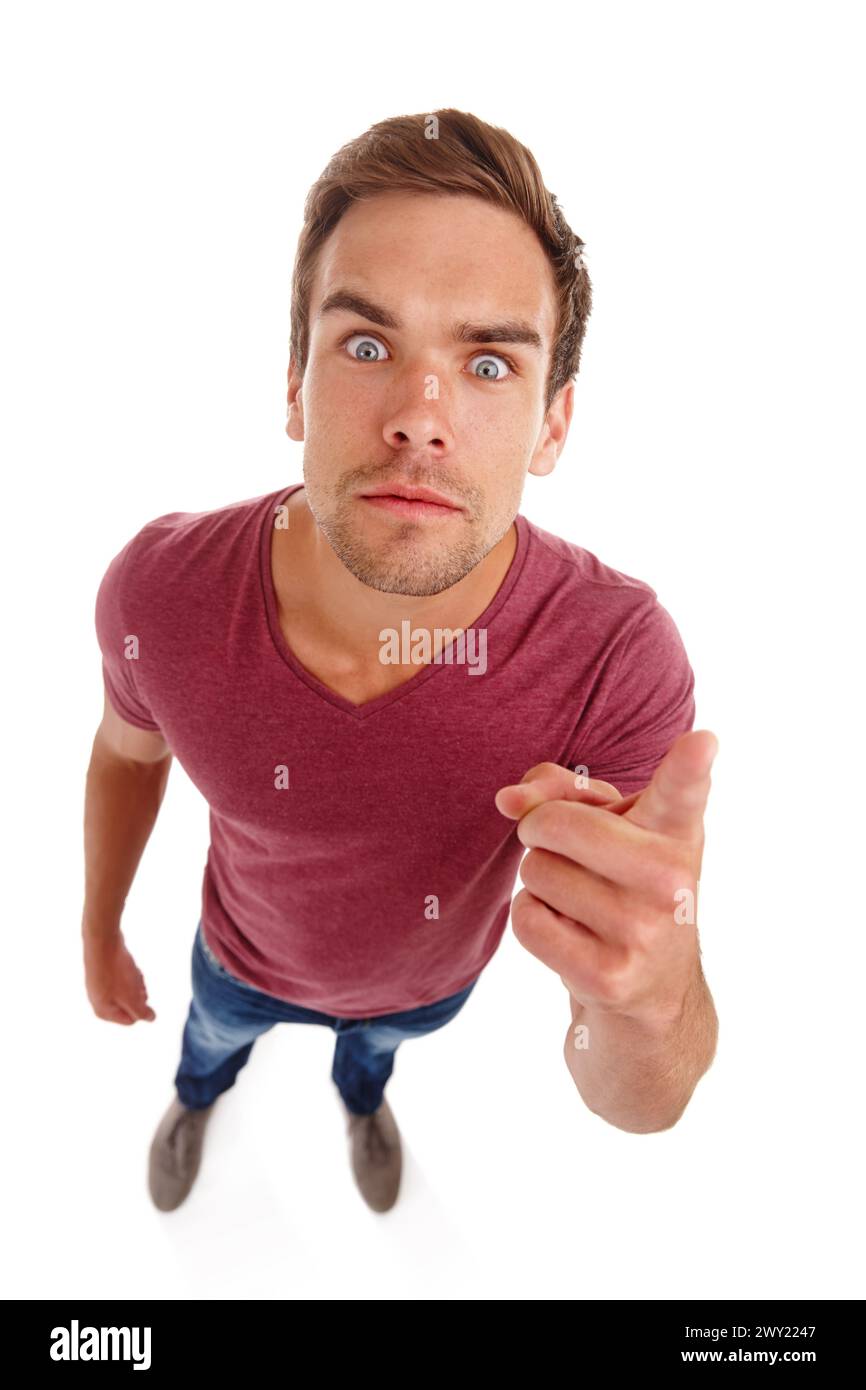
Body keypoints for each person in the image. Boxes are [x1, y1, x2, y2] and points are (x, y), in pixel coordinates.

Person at [83, 108, 719, 1216]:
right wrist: (98, 925)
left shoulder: (616, 659)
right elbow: (125, 751)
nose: (421, 420)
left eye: (484, 361)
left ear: (550, 425)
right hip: (233, 959)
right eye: (368, 345)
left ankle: (361, 1098)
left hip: (425, 989)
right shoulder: (163, 588)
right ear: (294, 382)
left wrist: (651, 1000)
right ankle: (195, 1096)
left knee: (370, 1058)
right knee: (206, 1044)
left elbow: (641, 1104)